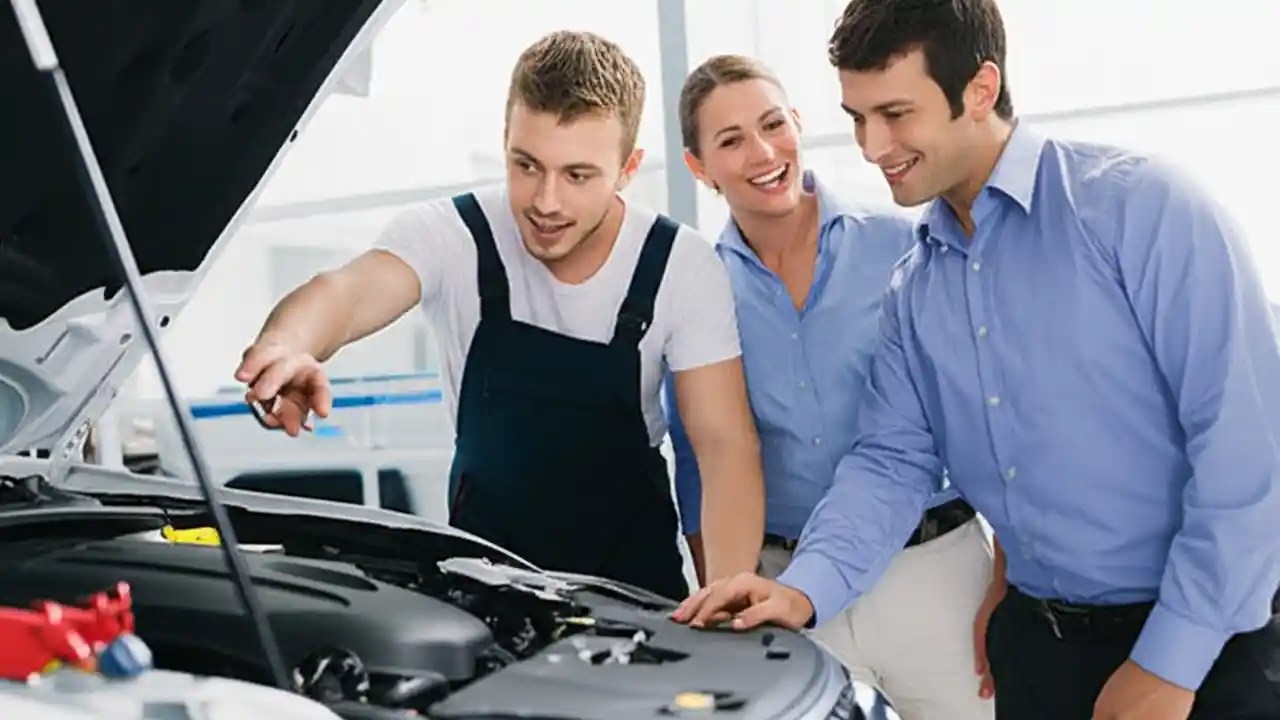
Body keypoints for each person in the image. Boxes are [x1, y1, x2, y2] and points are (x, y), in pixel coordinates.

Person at [671, 1, 1280, 718]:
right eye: (858, 117)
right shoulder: (914, 284)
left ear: (980, 89)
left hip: (1205, 640)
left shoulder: (1143, 210)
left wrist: (1170, 664)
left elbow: (1250, 449)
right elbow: (891, 461)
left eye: (895, 114)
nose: (871, 145)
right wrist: (803, 590)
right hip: (1034, 650)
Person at [234, 30, 766, 600]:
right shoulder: (453, 234)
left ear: (628, 169)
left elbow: (723, 445)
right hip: (485, 597)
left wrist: (729, 591)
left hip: (636, 597)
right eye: (527, 165)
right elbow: (348, 292)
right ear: (506, 141)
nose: (546, 201)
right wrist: (290, 343)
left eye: (578, 175)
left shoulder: (679, 265)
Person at [661, 54, 993, 720]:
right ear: (699, 168)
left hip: (936, 574)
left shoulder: (906, 243)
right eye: (730, 141)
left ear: (798, 125)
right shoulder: (696, 290)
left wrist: (1007, 582)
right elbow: (700, 463)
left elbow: (995, 412)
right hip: (786, 588)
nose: (762, 152)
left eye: (772, 124)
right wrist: (723, 594)